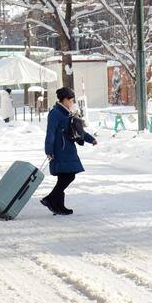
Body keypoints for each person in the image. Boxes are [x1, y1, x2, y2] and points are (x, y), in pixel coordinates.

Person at [42, 87, 96, 215]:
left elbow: (77, 130)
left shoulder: (67, 113)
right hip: (60, 149)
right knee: (68, 176)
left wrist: (90, 139)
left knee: (63, 177)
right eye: (71, 100)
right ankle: (50, 199)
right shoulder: (55, 113)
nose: (72, 102)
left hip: (68, 149)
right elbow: (50, 133)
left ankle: (58, 206)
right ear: (65, 100)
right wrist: (48, 149)